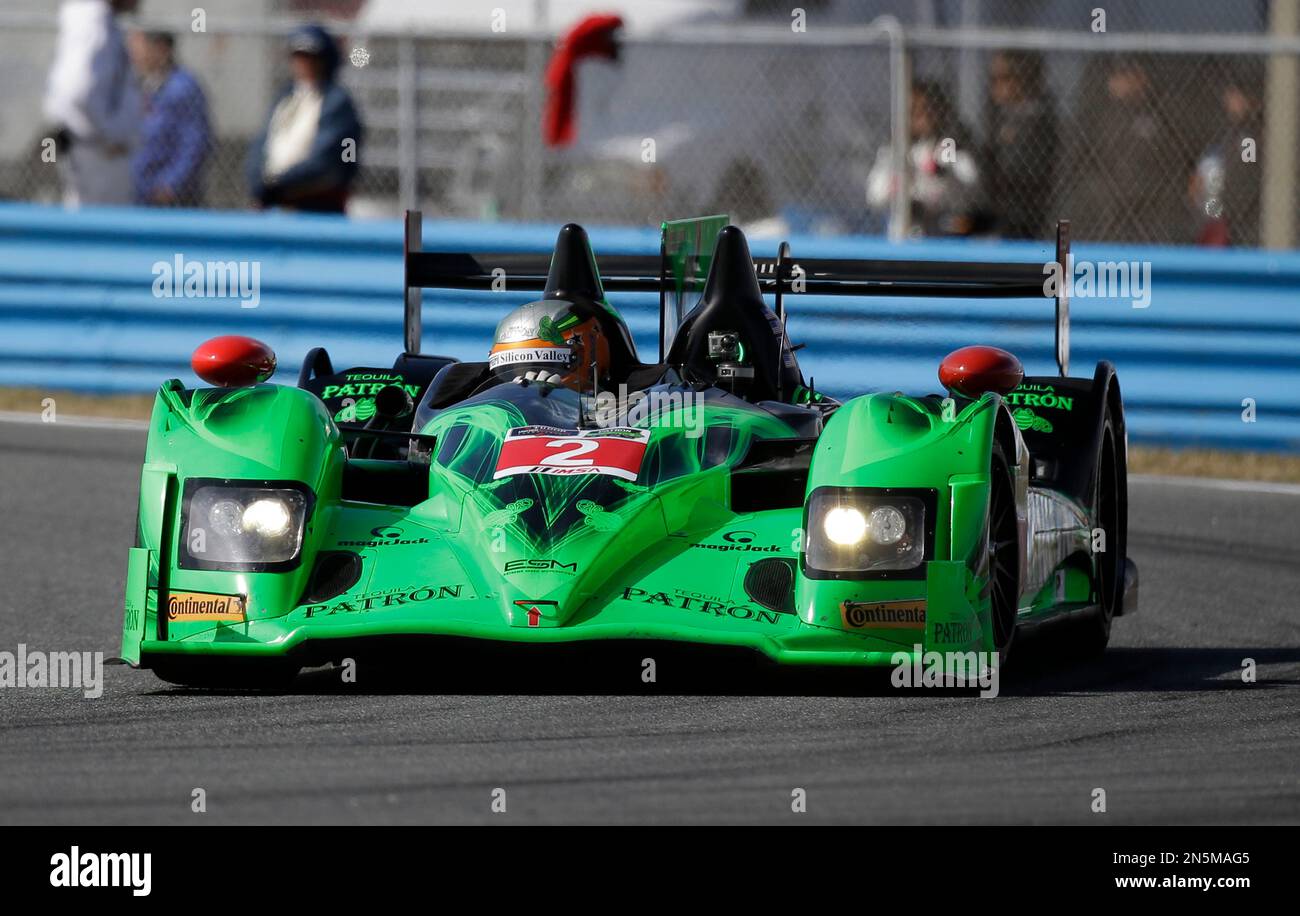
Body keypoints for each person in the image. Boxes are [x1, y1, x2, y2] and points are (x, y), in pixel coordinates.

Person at [245, 24, 363, 213]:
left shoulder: (336, 102)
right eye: (298, 56)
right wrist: (259, 182)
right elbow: (262, 143)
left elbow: (325, 159)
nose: (304, 62)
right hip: (276, 204)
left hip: (315, 206)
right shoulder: (285, 98)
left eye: (311, 57)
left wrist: (279, 184)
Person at [42, 0, 141, 207]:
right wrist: (106, 136)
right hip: (96, 152)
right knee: (97, 227)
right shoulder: (91, 24)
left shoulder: (101, 23)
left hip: (96, 149)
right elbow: (77, 89)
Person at [867, 80, 987, 237]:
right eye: (914, 111)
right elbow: (875, 194)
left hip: (945, 227)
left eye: (928, 109)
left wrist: (940, 170)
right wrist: (896, 184)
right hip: (907, 228)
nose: (922, 116)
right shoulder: (893, 149)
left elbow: (969, 183)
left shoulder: (948, 144)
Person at [129, 31, 211, 206]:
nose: (134, 55)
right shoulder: (144, 85)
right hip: (140, 190)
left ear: (160, 49)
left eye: (139, 48)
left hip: (167, 195)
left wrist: (170, 184)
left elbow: (194, 142)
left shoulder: (182, 88)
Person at [985, 50, 1058, 240]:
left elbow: (1026, 171)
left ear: (1024, 79)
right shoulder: (996, 119)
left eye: (1004, 78)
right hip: (999, 216)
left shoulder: (1042, 123)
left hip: (1028, 222)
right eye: (992, 78)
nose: (995, 86)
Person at [1191, 71, 1263, 247]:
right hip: (1220, 213)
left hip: (1240, 220)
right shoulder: (1230, 132)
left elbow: (1245, 175)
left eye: (1237, 95)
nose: (1230, 100)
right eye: (1230, 94)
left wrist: (1223, 211)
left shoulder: (1249, 137)